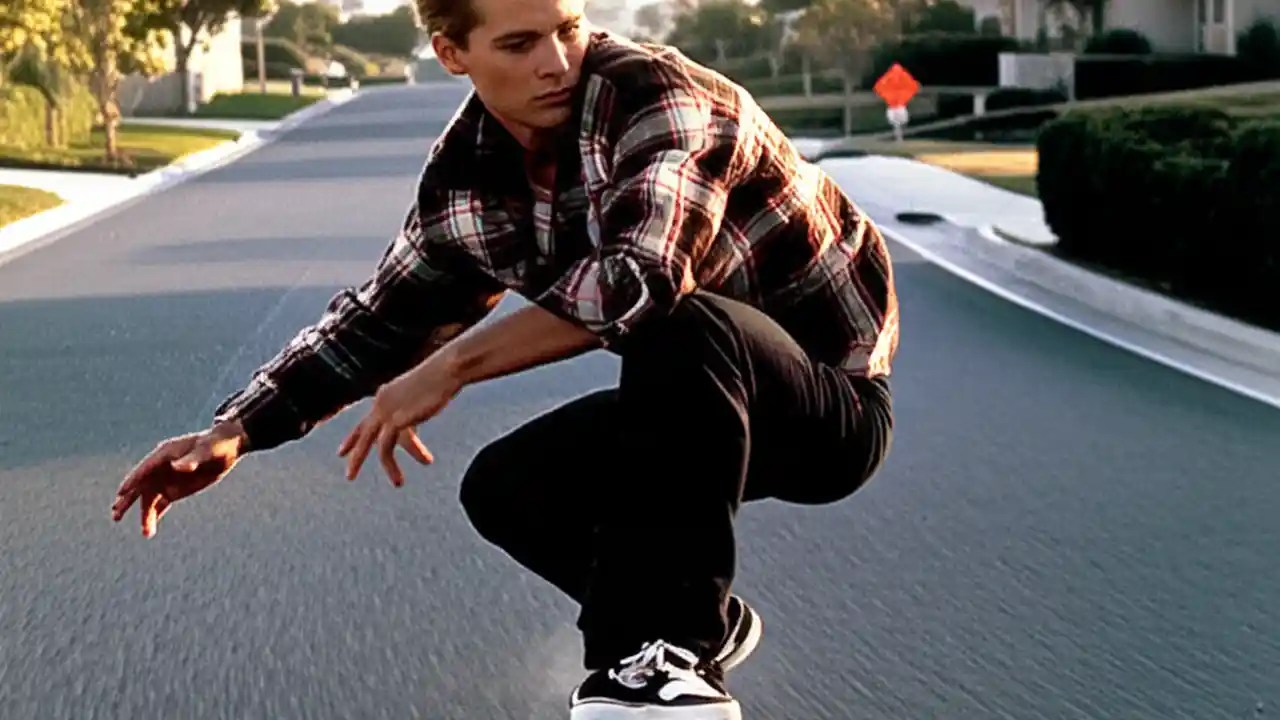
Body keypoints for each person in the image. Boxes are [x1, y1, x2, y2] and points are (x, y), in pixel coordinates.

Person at [110, 0, 900, 715]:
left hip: (825, 411)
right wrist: (237, 429)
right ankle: (690, 636)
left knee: (687, 326)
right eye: (519, 44)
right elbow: (381, 319)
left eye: (568, 30)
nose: (556, 62)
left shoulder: (663, 100)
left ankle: (668, 660)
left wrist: (451, 368)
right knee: (507, 486)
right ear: (453, 53)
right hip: (689, 412)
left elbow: (641, 282)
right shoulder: (467, 178)